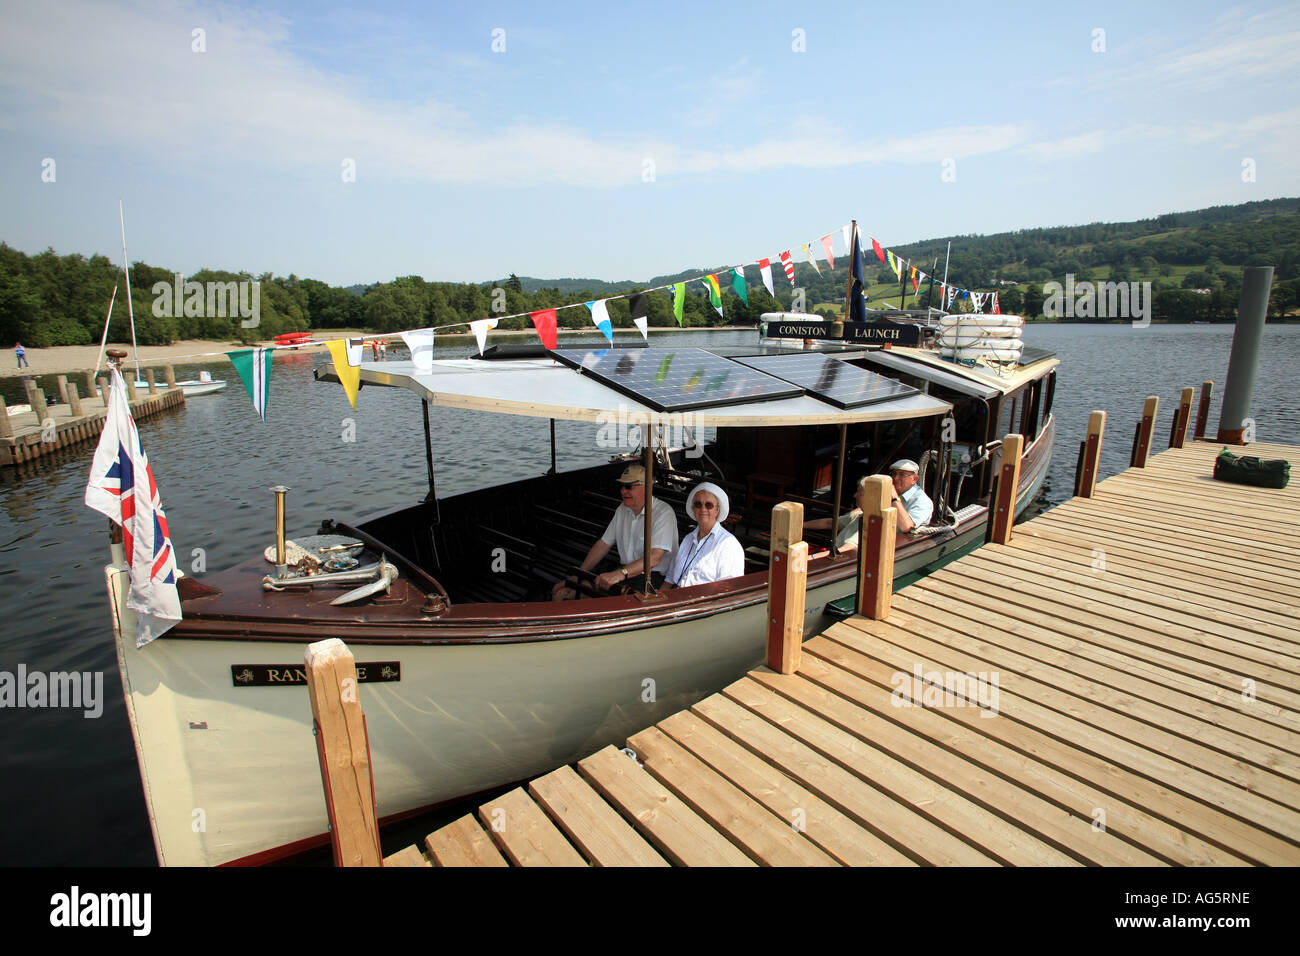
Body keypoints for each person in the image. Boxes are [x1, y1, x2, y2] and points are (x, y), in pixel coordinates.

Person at [551, 464, 678, 599]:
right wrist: (579, 574)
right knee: (564, 593)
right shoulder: (622, 510)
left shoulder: (664, 513)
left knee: (587, 597)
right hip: (626, 573)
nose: (623, 491)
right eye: (622, 486)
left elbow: (654, 557)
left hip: (652, 578)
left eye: (628, 486)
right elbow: (603, 544)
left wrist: (620, 574)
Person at [661, 482, 745, 590]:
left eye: (709, 505)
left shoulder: (728, 545)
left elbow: (728, 590)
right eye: (698, 504)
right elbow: (669, 579)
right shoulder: (688, 539)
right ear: (693, 508)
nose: (703, 509)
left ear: (717, 510)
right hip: (678, 599)